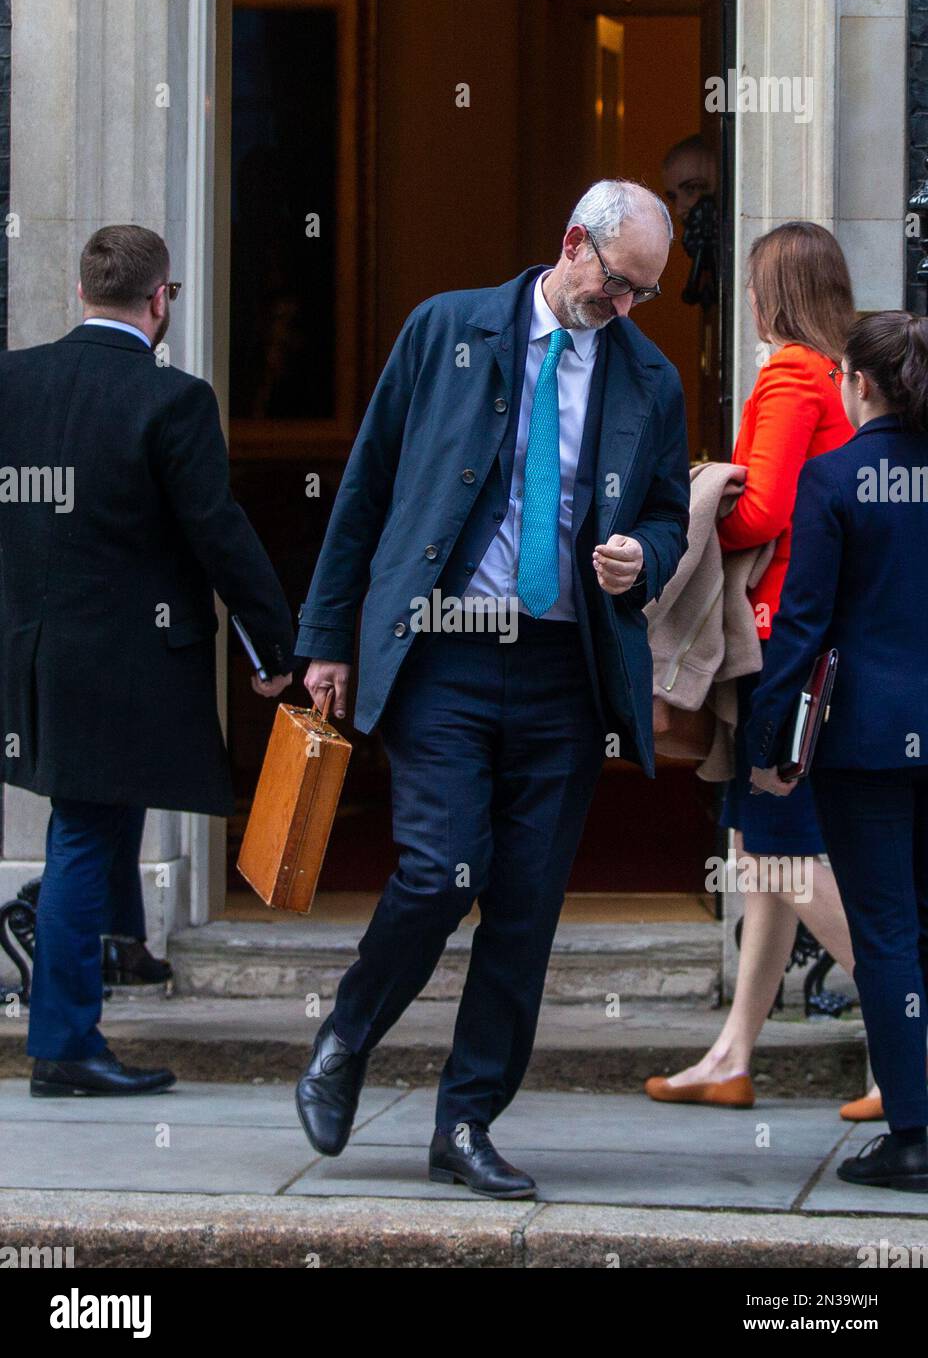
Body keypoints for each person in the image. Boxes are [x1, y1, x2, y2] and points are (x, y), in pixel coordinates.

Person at [294, 179, 690, 1199]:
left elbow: (666, 514)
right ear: (571, 244)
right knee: (441, 869)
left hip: (566, 668)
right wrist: (326, 638)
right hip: (445, 652)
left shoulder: (647, 377)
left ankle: (464, 1121)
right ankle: (346, 1035)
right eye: (618, 286)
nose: (628, 308)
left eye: (645, 293)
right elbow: (368, 483)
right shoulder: (447, 328)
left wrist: (637, 555)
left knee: (523, 909)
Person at [0, 225, 294, 1096]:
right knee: (88, 835)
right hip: (124, 662)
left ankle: (97, 965)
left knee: (94, 824)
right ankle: (62, 1046)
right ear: (161, 299)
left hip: (33, 654)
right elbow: (217, 533)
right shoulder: (173, 399)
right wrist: (273, 644)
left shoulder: (13, 379)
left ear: (79, 292)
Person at [646, 222, 873, 1112]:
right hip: (830, 641)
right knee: (764, 849)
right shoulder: (843, 377)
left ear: (767, 292)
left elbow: (759, 513)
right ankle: (733, 1053)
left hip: (778, 641)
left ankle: (911, 1027)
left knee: (777, 848)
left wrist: (703, 491)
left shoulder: (787, 374)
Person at [748, 311, 928, 1192]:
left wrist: (769, 741)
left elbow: (803, 626)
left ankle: (914, 1133)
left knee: (888, 933)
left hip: (864, 743)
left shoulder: (833, 478)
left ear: (858, 385)